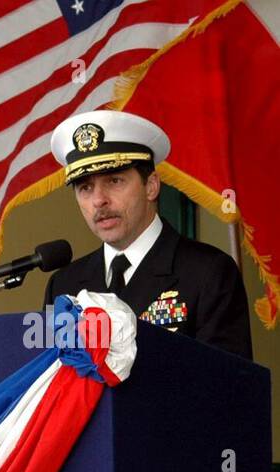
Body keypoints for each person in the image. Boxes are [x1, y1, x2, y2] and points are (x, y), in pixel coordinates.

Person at [44, 109, 252, 359]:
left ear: (151, 186)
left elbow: (229, 390)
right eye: (85, 187)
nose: (99, 200)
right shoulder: (64, 284)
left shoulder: (208, 273)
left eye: (114, 181)